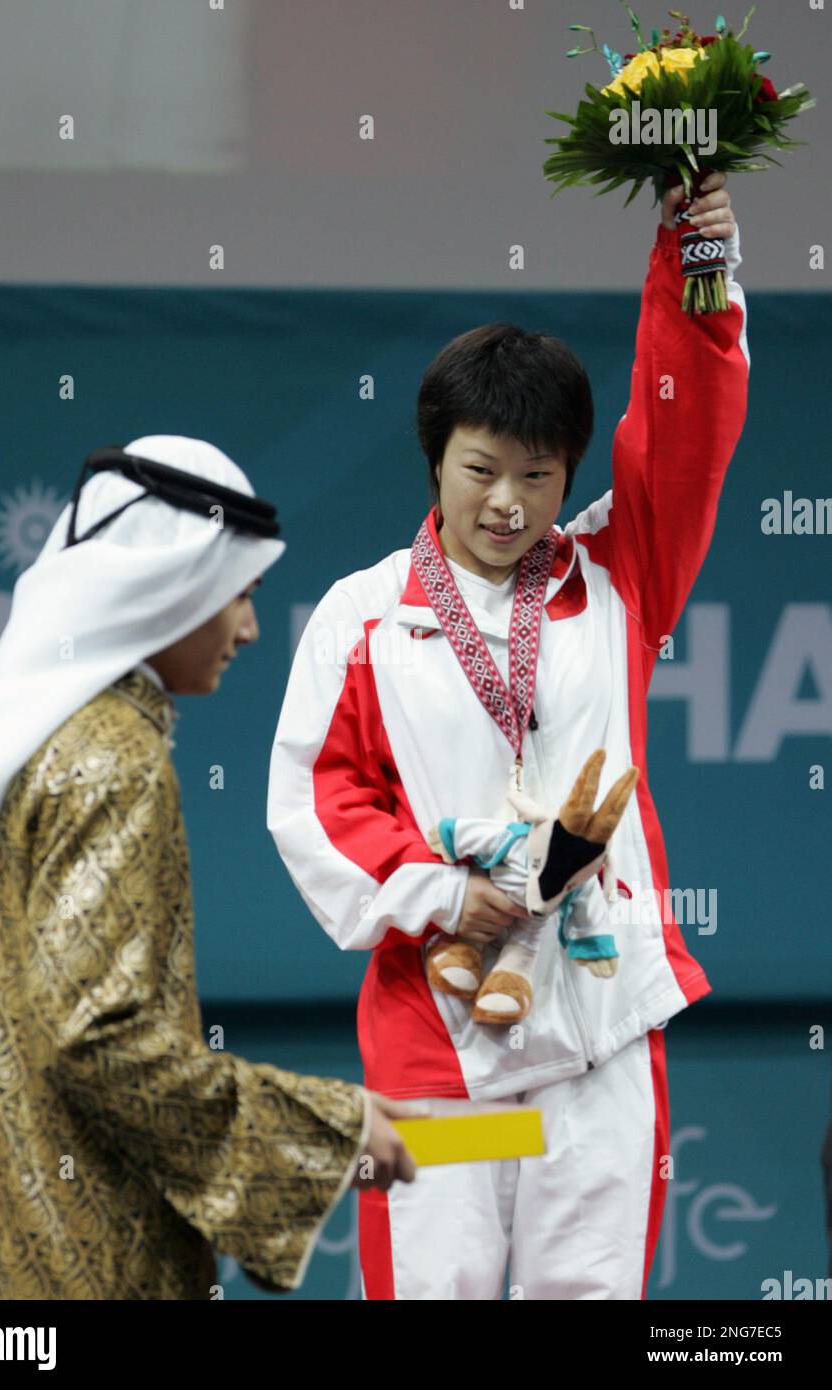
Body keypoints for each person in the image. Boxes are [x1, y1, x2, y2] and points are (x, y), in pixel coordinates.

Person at [267, 175, 749, 1299]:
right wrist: (440, 892)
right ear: (435, 456)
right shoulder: (365, 613)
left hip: (598, 1030)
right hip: (442, 1039)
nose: (508, 503)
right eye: (482, 469)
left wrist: (701, 258)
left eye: (539, 476)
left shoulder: (621, 574)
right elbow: (316, 800)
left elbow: (686, 427)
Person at [0, 435, 418, 1299]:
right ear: (168, 589)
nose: (250, 629)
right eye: (239, 595)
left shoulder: (41, 740)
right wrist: (327, 1133)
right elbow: (101, 1041)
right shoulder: (113, 757)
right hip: (86, 1264)